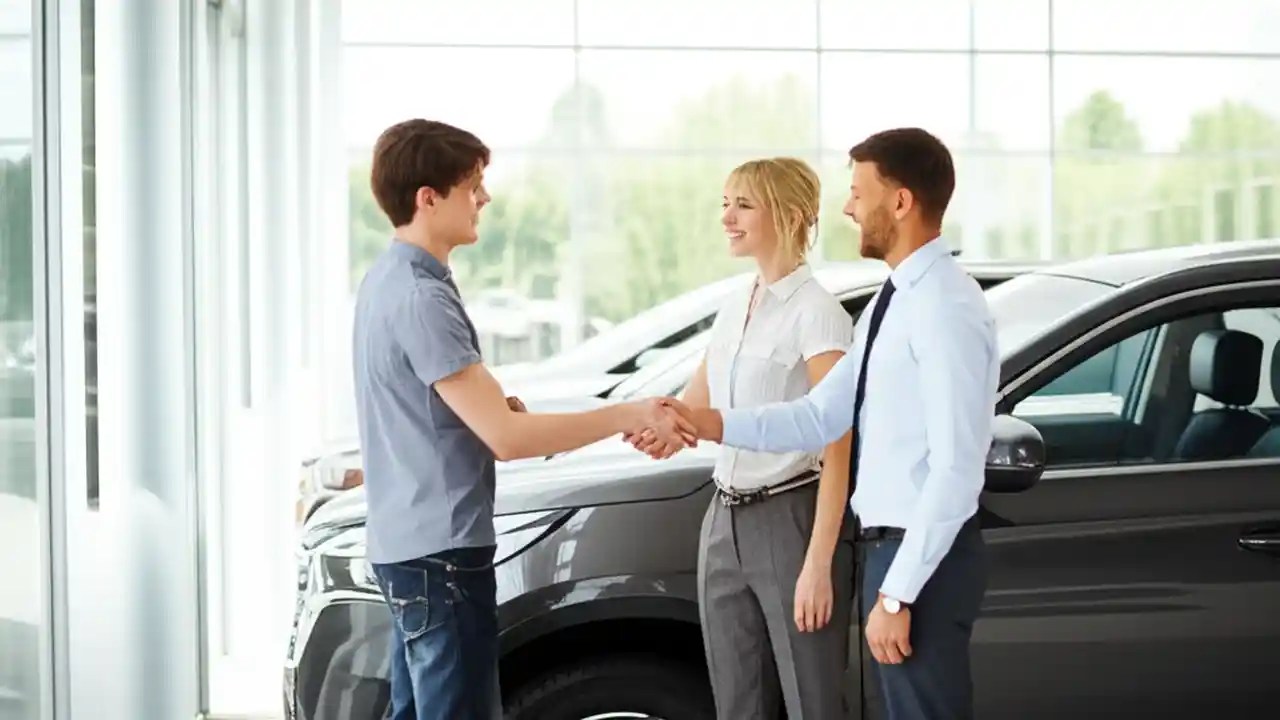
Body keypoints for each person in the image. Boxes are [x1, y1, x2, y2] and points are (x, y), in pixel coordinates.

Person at [646, 128, 998, 720]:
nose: (846, 208)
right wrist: (703, 423)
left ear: (901, 202)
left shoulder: (942, 306)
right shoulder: (898, 299)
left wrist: (899, 591)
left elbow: (957, 467)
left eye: (859, 192)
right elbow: (817, 415)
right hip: (894, 552)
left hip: (920, 559)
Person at [351, 118, 694, 720]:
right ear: (427, 198)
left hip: (409, 546)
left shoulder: (388, 282)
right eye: (471, 185)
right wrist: (626, 414)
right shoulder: (422, 297)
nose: (484, 197)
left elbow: (431, 411)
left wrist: (484, 417)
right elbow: (508, 440)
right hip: (443, 555)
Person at [633, 157, 855, 719]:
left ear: (791, 215)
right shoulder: (737, 304)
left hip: (791, 519)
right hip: (722, 520)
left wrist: (818, 562)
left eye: (743, 205)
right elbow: (691, 409)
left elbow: (838, 443)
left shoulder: (818, 313)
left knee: (813, 702)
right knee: (737, 704)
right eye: (725, 203)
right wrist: (637, 429)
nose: (727, 218)